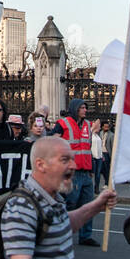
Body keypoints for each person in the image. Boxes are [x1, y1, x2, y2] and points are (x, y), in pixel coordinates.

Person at [53, 100, 98, 245]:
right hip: (72, 172)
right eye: (82, 108)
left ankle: (86, 236)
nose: (85, 110)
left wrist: (91, 169)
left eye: (85, 107)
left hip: (86, 172)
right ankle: (63, 234)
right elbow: (53, 141)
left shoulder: (87, 125)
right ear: (75, 109)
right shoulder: (63, 123)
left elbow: (88, 147)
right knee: (70, 203)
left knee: (88, 205)